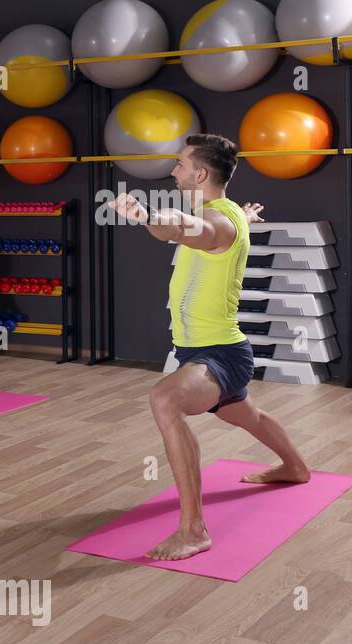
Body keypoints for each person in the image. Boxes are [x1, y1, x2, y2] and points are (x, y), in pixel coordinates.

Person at [107, 133, 308, 561]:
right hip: (201, 349)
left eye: (180, 164)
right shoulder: (227, 212)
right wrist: (244, 221)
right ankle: (295, 467)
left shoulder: (215, 221)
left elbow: (189, 228)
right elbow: (211, 228)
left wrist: (144, 213)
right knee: (244, 414)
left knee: (165, 399)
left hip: (219, 353)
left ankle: (193, 529)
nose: (174, 170)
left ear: (199, 174)